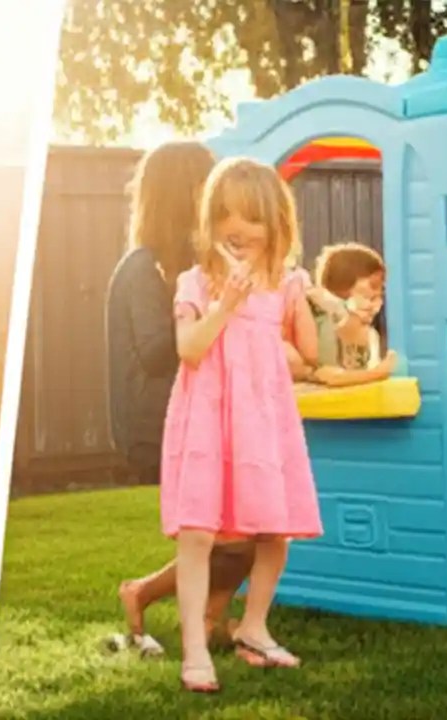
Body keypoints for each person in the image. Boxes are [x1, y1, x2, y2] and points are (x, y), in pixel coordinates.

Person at [164, 157, 323, 693]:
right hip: (209, 420)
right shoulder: (195, 281)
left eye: (252, 218)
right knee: (198, 532)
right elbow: (190, 351)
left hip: (263, 419)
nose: (238, 228)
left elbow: (309, 353)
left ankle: (253, 625)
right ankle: (194, 649)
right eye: (227, 215)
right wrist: (224, 304)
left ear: (275, 225)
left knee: (275, 529)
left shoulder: (282, 285)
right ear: (210, 221)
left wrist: (305, 300)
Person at [105, 142, 257, 656]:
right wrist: (204, 317)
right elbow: (154, 352)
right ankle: (167, 599)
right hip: (159, 426)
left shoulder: (186, 267)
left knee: (250, 526)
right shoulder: (143, 268)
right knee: (236, 533)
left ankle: (192, 607)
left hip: (201, 419)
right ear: (186, 193)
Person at [293, 242, 399, 386]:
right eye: (373, 285)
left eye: (380, 295)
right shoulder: (318, 320)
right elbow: (327, 376)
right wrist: (379, 373)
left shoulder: (370, 335)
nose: (377, 300)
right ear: (343, 282)